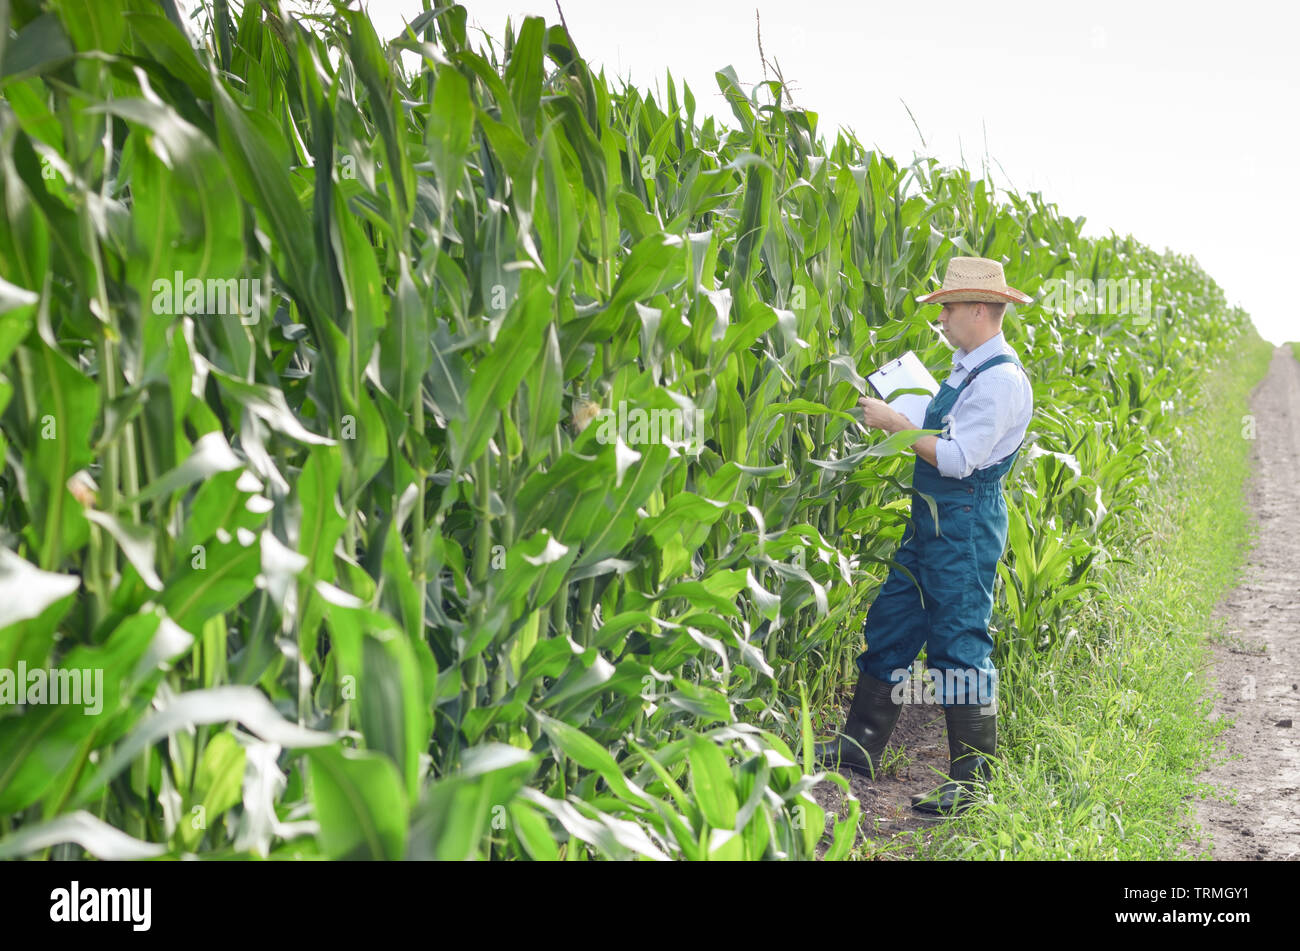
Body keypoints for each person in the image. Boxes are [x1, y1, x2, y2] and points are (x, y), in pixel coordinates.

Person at [815, 256, 1034, 816]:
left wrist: (898, 424)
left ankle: (973, 784)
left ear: (980, 310)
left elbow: (959, 459)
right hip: (932, 516)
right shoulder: (966, 367)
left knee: (958, 643)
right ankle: (859, 745)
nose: (941, 318)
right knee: (892, 620)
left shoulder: (1002, 381)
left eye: (949, 308)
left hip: (962, 523)